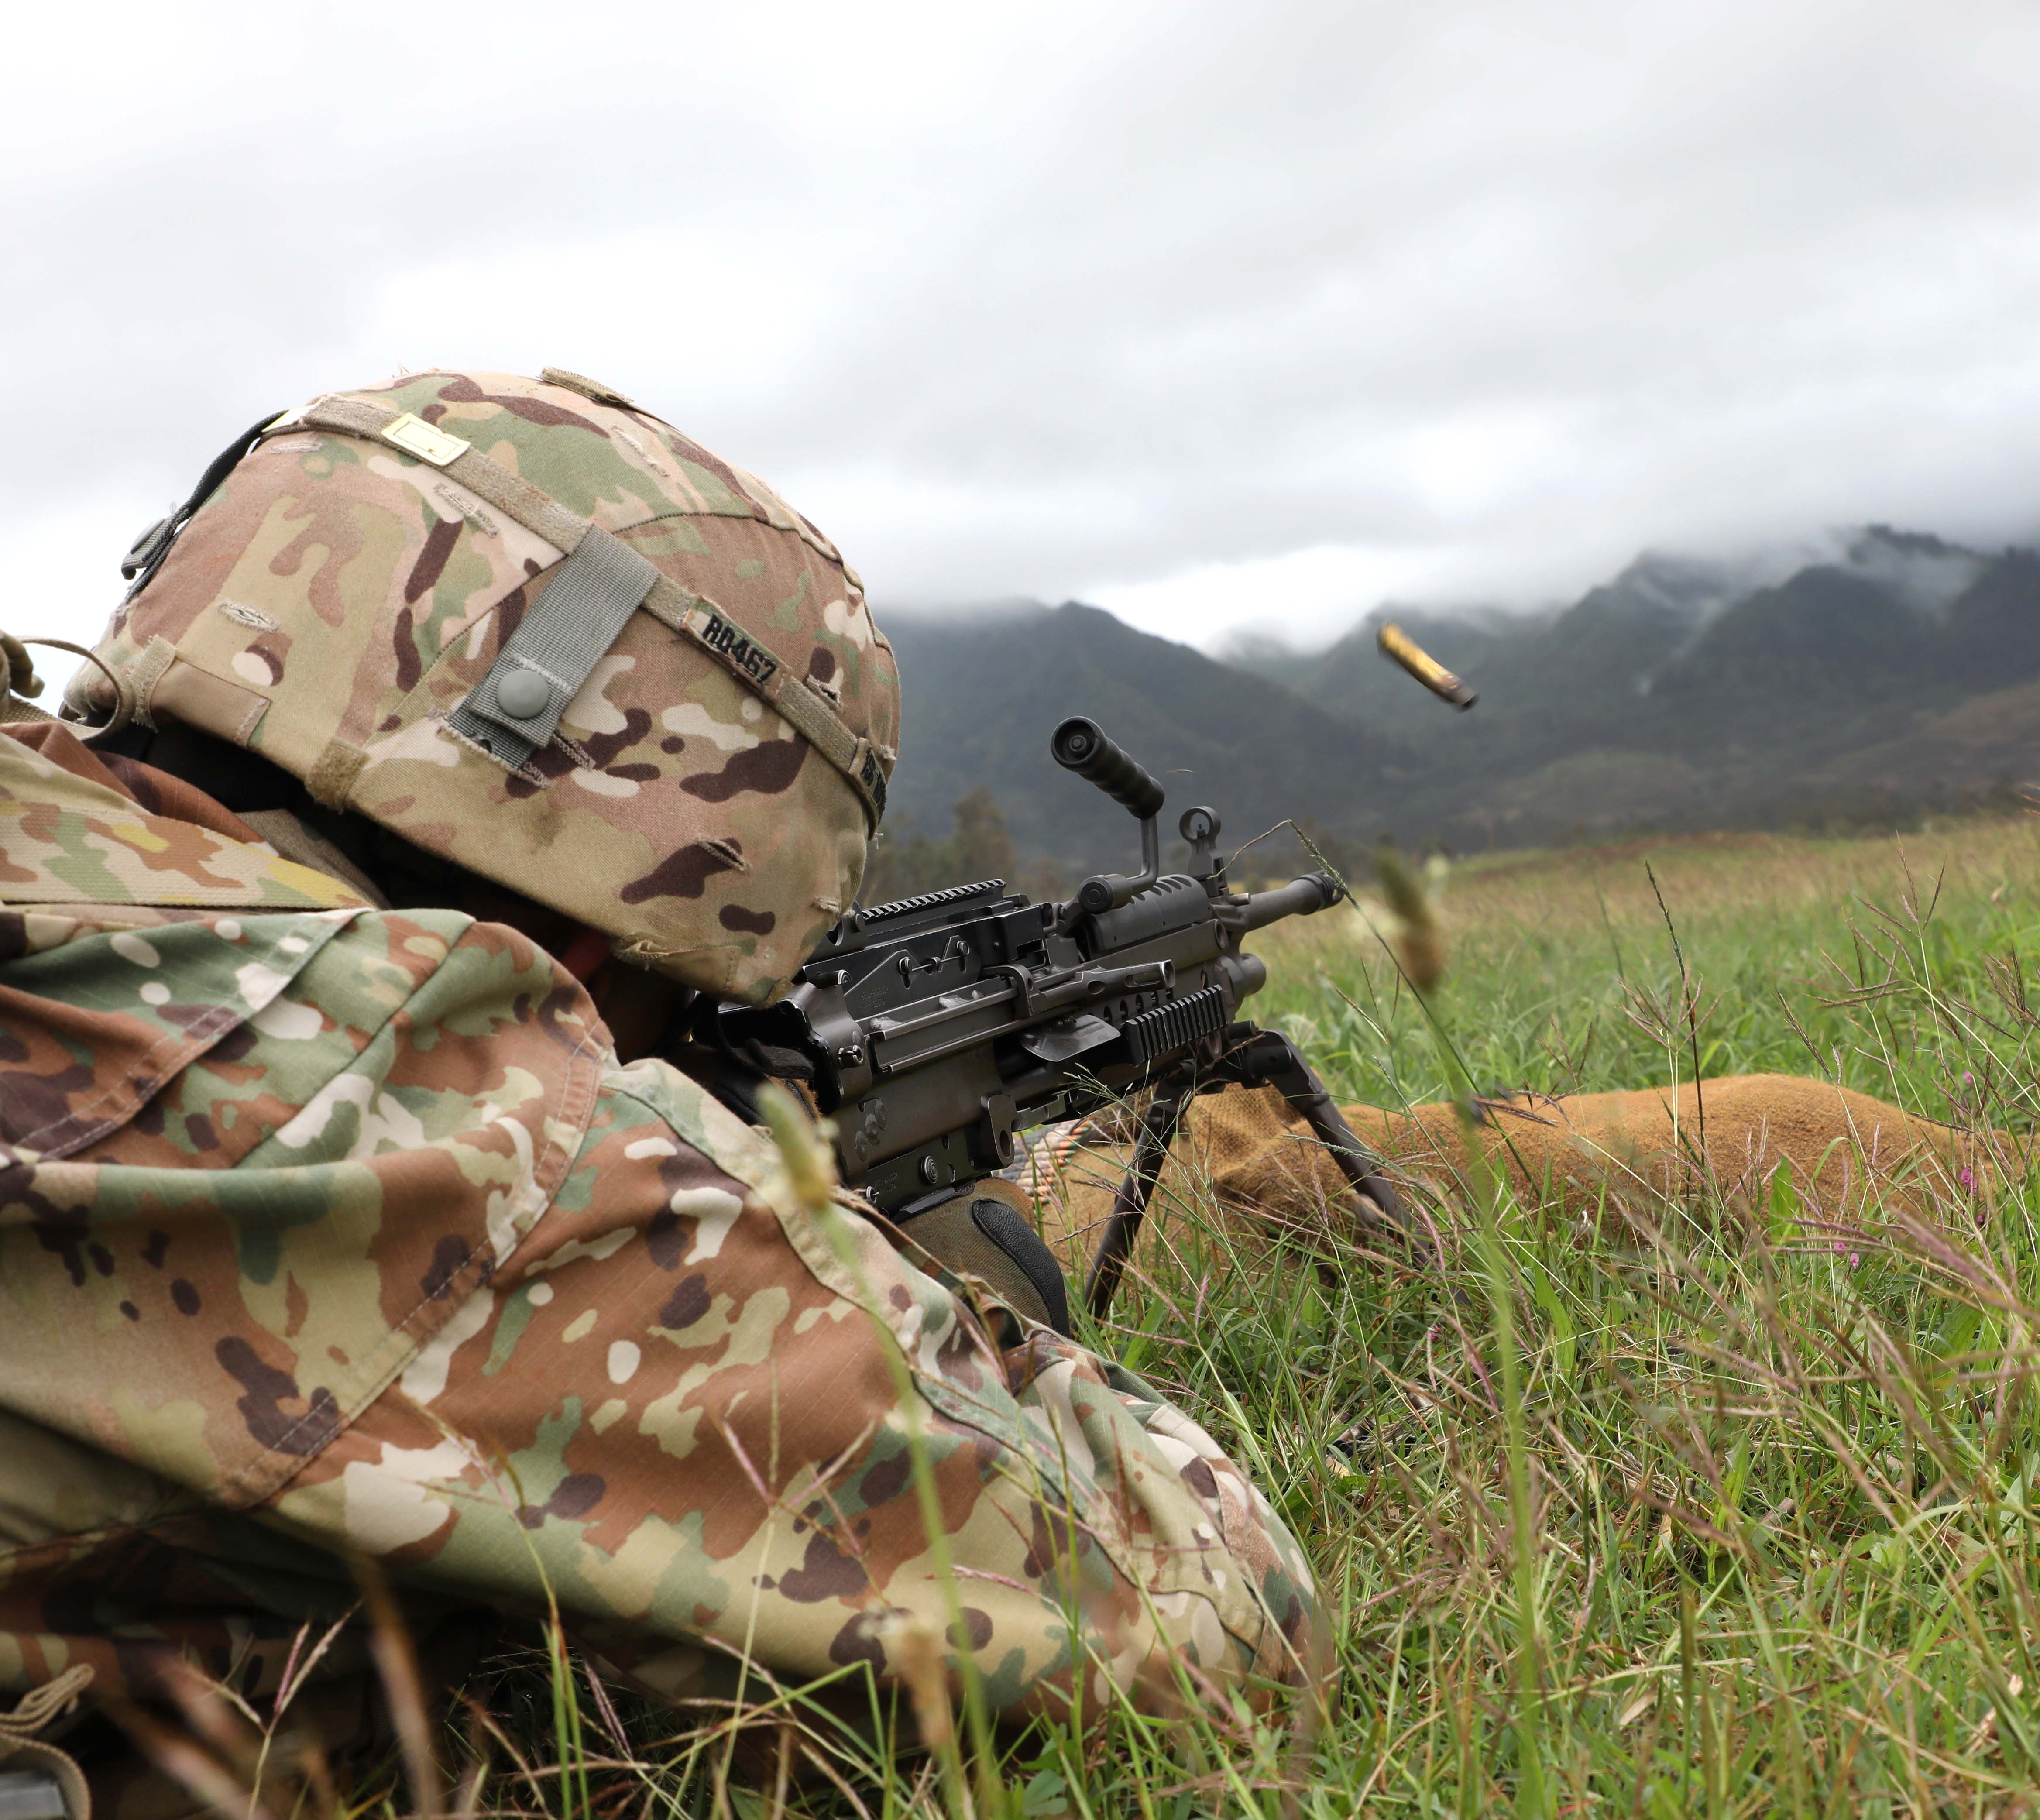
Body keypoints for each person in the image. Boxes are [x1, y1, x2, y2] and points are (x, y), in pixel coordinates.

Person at [0, 370, 1327, 1808]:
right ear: (590, 937)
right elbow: (1211, 1619)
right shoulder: (397, 1088)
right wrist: (868, 1271)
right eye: (686, 1010)